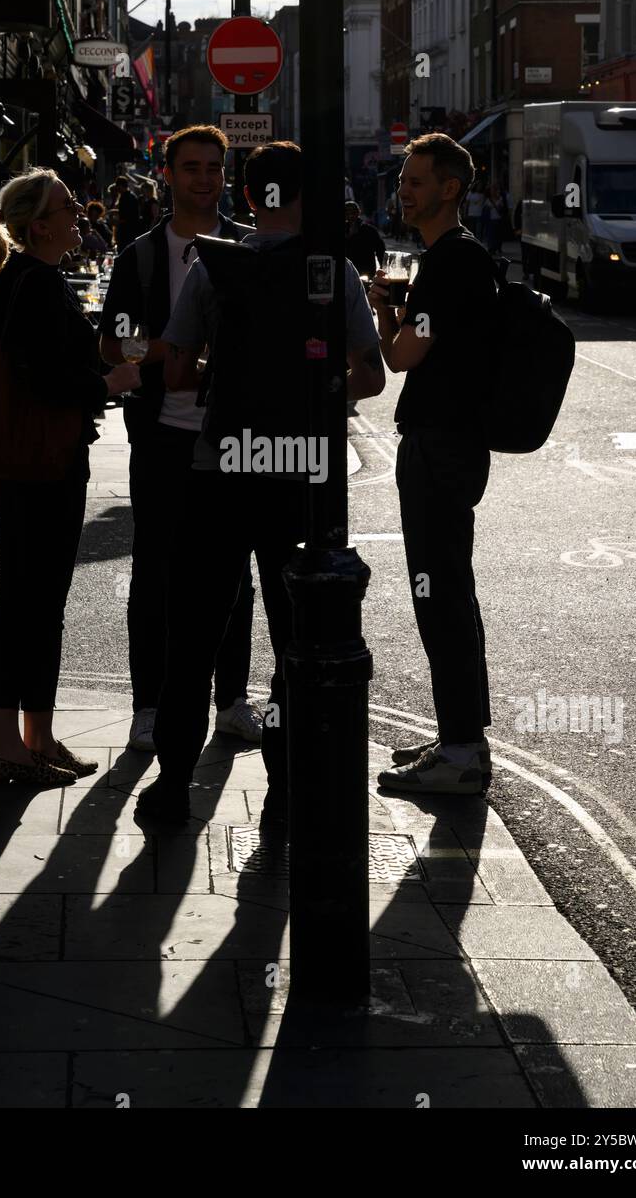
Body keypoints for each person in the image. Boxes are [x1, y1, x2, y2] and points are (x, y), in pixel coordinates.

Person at [135, 140, 386, 825]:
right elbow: (371, 377)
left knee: (191, 640)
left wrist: (226, 364)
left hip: (219, 471)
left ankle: (172, 786)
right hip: (297, 476)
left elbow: (179, 373)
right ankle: (283, 784)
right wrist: (316, 378)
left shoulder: (212, 268)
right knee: (294, 643)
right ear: (305, 196)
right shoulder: (331, 271)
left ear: (248, 196)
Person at [0, 169, 139, 787]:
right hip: (40, 464)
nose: (79, 215)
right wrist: (107, 384)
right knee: (24, 603)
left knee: (39, 602)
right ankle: (8, 747)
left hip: (37, 462)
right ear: (39, 225)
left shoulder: (25, 278)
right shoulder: (34, 282)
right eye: (67, 207)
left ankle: (35, 736)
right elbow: (41, 378)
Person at [99, 125, 261, 753]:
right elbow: (113, 344)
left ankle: (234, 700)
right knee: (156, 570)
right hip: (163, 433)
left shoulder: (247, 250)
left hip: (229, 436)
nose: (204, 179)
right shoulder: (139, 257)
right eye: (191, 167)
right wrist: (167, 350)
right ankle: (149, 705)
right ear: (166, 175)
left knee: (235, 573)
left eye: (214, 168)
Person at [368, 133, 498, 795]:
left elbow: (402, 357)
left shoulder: (450, 262)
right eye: (403, 181)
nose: (403, 191)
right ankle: (458, 738)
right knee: (449, 592)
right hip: (450, 444)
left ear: (449, 188)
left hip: (439, 447)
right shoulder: (456, 258)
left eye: (415, 181)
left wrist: (384, 314)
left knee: (440, 594)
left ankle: (462, 753)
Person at [344, 200, 386, 279]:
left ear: (358, 213)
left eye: (352, 213)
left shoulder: (369, 231)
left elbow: (380, 251)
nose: (350, 216)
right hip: (348, 272)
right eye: (347, 213)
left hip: (365, 272)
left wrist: (383, 269)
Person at [109, 174, 142, 253]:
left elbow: (126, 217)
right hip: (132, 230)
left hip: (127, 231)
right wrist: (114, 211)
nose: (117, 188)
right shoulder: (131, 196)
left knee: (124, 251)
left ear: (121, 186)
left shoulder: (125, 197)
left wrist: (115, 222)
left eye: (118, 186)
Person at [482, 182, 510, 254]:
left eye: (495, 190)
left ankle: (498, 247)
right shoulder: (487, 199)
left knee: (498, 235)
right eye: (492, 190)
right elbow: (485, 209)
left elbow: (503, 208)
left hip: (499, 219)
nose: (493, 192)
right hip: (490, 220)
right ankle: (491, 248)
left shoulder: (501, 198)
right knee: (491, 235)